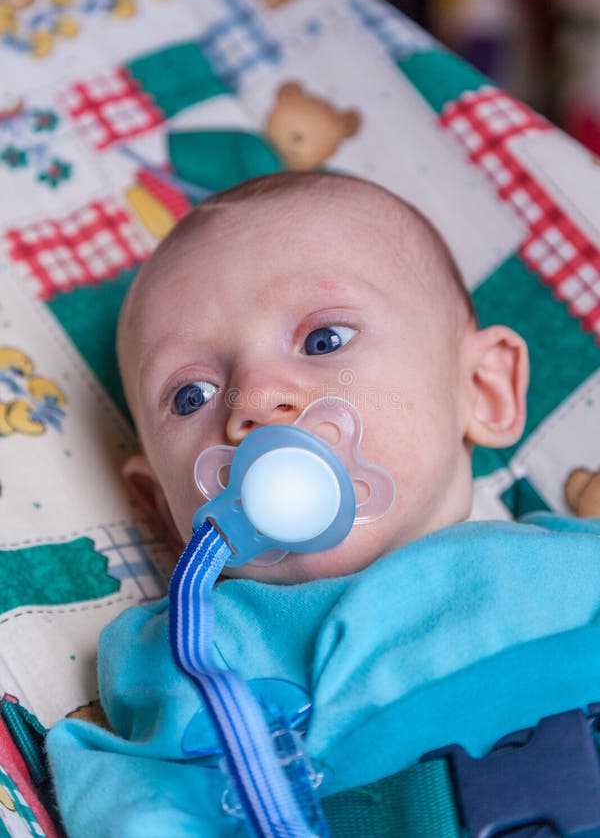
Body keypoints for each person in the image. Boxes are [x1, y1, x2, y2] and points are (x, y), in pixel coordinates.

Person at [46, 172, 600, 836]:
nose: (253, 398)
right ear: (163, 507)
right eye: (191, 396)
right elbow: (138, 808)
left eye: (324, 341)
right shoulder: (204, 649)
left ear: (484, 391)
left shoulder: (580, 564)